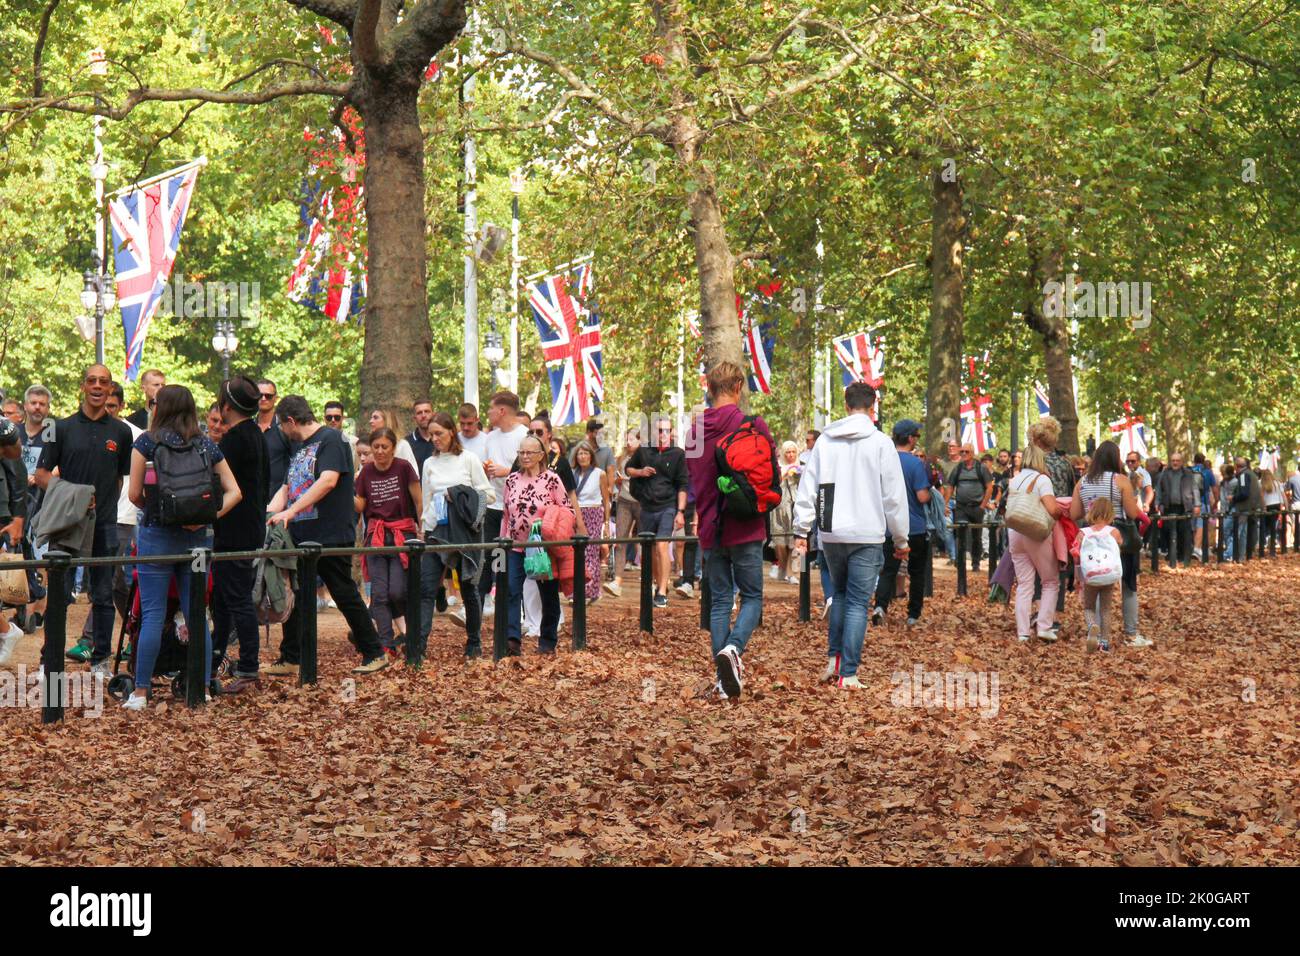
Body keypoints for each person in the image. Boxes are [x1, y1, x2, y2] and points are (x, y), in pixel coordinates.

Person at [123, 384, 241, 710]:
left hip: (156, 536)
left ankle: (141, 692)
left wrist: (159, 512)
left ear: (160, 408)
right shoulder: (205, 444)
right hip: (198, 539)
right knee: (196, 615)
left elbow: (134, 493)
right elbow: (234, 491)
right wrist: (206, 515)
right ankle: (201, 688)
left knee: (152, 613)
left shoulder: (146, 443)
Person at [792, 380, 908, 689]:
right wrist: (901, 538)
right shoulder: (881, 443)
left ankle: (835, 659)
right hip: (867, 532)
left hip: (832, 532)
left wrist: (801, 527)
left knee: (840, 595)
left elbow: (809, 485)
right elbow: (893, 496)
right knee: (858, 602)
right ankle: (849, 673)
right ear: (873, 408)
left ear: (846, 405)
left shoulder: (826, 442)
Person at [264, 395, 388, 676]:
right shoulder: (300, 447)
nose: (282, 432)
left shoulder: (331, 440)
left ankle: (374, 651)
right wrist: (270, 512)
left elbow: (328, 480)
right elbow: (287, 486)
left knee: (343, 592)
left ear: (291, 421)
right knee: (294, 595)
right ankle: (291, 656)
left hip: (329, 533)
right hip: (301, 534)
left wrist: (292, 511)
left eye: (282, 426)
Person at [34, 365, 134, 675]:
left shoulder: (121, 431)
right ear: (83, 386)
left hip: (105, 523)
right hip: (67, 522)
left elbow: (119, 478)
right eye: (92, 380)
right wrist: (74, 496)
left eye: (103, 382)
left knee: (103, 594)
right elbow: (40, 475)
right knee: (60, 595)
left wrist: (100, 503)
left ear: (109, 389)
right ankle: (48, 659)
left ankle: (101, 660)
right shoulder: (58, 427)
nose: (97, 386)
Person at [688, 362, 775, 699]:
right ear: (738, 386)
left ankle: (724, 682)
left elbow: (695, 476)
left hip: (710, 524)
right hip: (746, 524)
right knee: (752, 596)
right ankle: (734, 649)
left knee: (720, 601)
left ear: (708, 387)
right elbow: (771, 473)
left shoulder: (694, 432)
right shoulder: (752, 426)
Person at [69, 383, 141, 660]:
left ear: (120, 406)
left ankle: (92, 640)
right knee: (114, 581)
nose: (106, 410)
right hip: (88, 514)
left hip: (122, 515)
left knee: (111, 580)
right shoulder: (82, 430)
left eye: (112, 405)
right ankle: (136, 631)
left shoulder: (131, 434)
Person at [210, 377, 268, 693]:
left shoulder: (234, 441)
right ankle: (212, 663)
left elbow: (220, 484)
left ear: (227, 407)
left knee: (237, 599)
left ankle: (248, 667)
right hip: (250, 527)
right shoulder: (257, 435)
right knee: (222, 601)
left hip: (234, 530)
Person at [419, 411, 493, 656]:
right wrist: (423, 528)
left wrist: (460, 494)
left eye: (439, 433)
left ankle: (474, 644)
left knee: (469, 589)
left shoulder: (469, 459)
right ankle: (418, 646)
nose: (435, 439)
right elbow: (427, 499)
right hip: (436, 531)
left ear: (452, 432)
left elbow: (488, 494)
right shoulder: (429, 463)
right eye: (431, 435)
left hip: (464, 532)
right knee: (427, 588)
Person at [1069, 440, 1148, 647]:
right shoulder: (1120, 480)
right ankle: (1131, 634)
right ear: (1115, 458)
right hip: (1118, 536)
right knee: (1128, 585)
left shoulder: (1082, 482)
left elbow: (1074, 513)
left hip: (1093, 540)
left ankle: (1094, 629)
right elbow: (1132, 512)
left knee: (1095, 581)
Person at [355, 427, 422, 658]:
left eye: (385, 447)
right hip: (377, 535)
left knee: (397, 591)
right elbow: (361, 506)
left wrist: (421, 528)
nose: (380, 451)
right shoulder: (365, 473)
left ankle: (409, 634)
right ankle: (385, 643)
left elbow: (418, 498)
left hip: (401, 533)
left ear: (393, 447)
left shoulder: (403, 467)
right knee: (380, 594)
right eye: (376, 447)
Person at [501, 434, 571, 655]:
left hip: (542, 547)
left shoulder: (552, 479)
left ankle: (547, 641)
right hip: (515, 546)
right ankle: (512, 640)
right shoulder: (511, 480)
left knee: (548, 593)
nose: (524, 456)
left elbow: (567, 510)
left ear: (541, 455)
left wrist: (549, 525)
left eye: (529, 452)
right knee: (511, 590)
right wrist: (501, 541)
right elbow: (505, 513)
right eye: (521, 452)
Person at [872, 419, 932, 627]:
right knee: (916, 572)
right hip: (914, 527)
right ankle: (913, 614)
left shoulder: (884, 461)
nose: (917, 440)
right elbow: (922, 496)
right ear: (909, 438)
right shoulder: (916, 463)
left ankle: (880, 606)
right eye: (916, 436)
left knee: (888, 569)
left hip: (888, 526)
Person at [1004, 441, 1063, 643]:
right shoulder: (1042, 480)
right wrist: (1061, 512)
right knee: (1050, 581)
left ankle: (1023, 632)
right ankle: (1044, 627)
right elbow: (1051, 508)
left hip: (1014, 532)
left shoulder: (1015, 479)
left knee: (1024, 584)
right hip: (1034, 532)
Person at [627, 415, 688, 609]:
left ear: (671, 433)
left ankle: (662, 591)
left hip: (668, 506)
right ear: (653, 432)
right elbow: (628, 469)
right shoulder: (644, 450)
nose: (663, 434)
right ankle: (659, 583)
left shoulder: (678, 454)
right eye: (659, 430)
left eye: (666, 430)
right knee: (650, 551)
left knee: (662, 547)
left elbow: (683, 485)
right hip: (647, 507)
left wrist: (680, 512)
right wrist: (640, 472)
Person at [480, 392, 529, 616]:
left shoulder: (524, 435)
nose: (488, 412)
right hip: (494, 506)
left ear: (502, 411)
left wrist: (506, 471)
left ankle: (518, 607)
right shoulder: (490, 437)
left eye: (491, 408)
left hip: (518, 508)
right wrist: (486, 470)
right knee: (491, 554)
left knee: (515, 556)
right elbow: (488, 468)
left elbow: (533, 470)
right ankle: (486, 600)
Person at [1077, 496, 1123, 653]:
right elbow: (1120, 544)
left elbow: (1076, 552)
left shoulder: (1083, 532)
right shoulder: (1114, 532)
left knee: (1089, 607)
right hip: (1108, 576)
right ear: (1110, 514)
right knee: (1105, 609)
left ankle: (1092, 625)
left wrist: (1078, 575)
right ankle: (1104, 643)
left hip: (1090, 576)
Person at [0, 419, 28, 662]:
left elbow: (17, 465)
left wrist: (18, 518)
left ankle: (7, 631)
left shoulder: (4, 428)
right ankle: (7, 631)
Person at [569, 439, 610, 603]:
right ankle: (575, 589)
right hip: (576, 513)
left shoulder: (599, 473)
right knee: (575, 552)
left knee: (591, 552)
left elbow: (606, 500)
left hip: (593, 513)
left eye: (586, 453)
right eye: (580, 453)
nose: (582, 456)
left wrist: (606, 524)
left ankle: (590, 590)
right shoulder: (572, 473)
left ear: (591, 456)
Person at [606, 427, 642, 597]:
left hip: (642, 502)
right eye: (627, 439)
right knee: (620, 540)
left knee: (645, 542)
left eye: (633, 439)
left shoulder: (646, 457)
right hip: (624, 501)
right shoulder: (621, 458)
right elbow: (615, 481)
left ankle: (649, 578)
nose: (629, 442)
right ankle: (617, 581)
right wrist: (618, 482)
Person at [945, 443, 993, 572]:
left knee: (976, 536)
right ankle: (960, 562)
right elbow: (950, 486)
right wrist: (945, 503)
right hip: (961, 507)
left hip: (977, 507)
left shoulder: (981, 468)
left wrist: (983, 505)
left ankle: (975, 563)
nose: (964, 454)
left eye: (966, 452)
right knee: (960, 533)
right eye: (962, 452)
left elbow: (989, 487)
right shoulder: (958, 468)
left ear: (972, 453)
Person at [1154, 452, 1198, 570]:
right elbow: (1158, 489)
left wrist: (1197, 504)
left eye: (1177, 460)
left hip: (1184, 506)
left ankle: (1183, 555)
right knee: (1169, 531)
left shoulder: (1188, 474)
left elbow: (1195, 489)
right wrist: (1157, 503)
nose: (1175, 463)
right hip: (1169, 506)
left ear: (1181, 462)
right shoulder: (1164, 474)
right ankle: (1172, 554)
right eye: (1173, 460)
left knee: (1184, 531)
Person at [768, 440, 800, 584]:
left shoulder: (802, 466)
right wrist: (786, 472)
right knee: (780, 542)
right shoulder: (776, 467)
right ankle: (782, 566)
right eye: (788, 452)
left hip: (796, 507)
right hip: (779, 508)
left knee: (796, 541)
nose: (791, 455)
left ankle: (792, 572)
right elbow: (772, 482)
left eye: (793, 452)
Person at [256, 379, 296, 492]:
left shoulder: (285, 427)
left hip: (279, 499)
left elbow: (297, 460)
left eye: (268, 396)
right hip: (253, 499)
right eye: (259, 395)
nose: (263, 398)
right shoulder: (248, 428)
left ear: (275, 398)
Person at [1191, 452, 1218, 558]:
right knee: (1201, 525)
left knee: (1193, 525)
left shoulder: (1190, 471)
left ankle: (1195, 546)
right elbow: (1215, 489)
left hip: (1191, 502)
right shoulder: (1208, 472)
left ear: (1194, 460)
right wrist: (1216, 501)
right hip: (1203, 501)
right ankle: (1197, 548)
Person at [406, 399, 436, 474]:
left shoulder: (441, 440)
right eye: (419, 413)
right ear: (414, 417)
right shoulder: (407, 444)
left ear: (433, 414)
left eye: (427, 411)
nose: (423, 415)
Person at [1260, 468, 1283, 554]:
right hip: (1276, 506)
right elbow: (1282, 495)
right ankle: (1272, 546)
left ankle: (1264, 544)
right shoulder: (1277, 483)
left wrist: (1264, 507)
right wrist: (1284, 505)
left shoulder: (1263, 484)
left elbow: (1261, 497)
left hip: (1268, 506)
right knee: (1274, 526)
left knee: (1266, 527)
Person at [1220, 463, 1239, 561]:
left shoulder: (1234, 482)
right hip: (1226, 509)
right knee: (1226, 531)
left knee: (1227, 529)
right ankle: (1229, 551)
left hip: (1232, 509)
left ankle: (1229, 553)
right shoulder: (1224, 482)